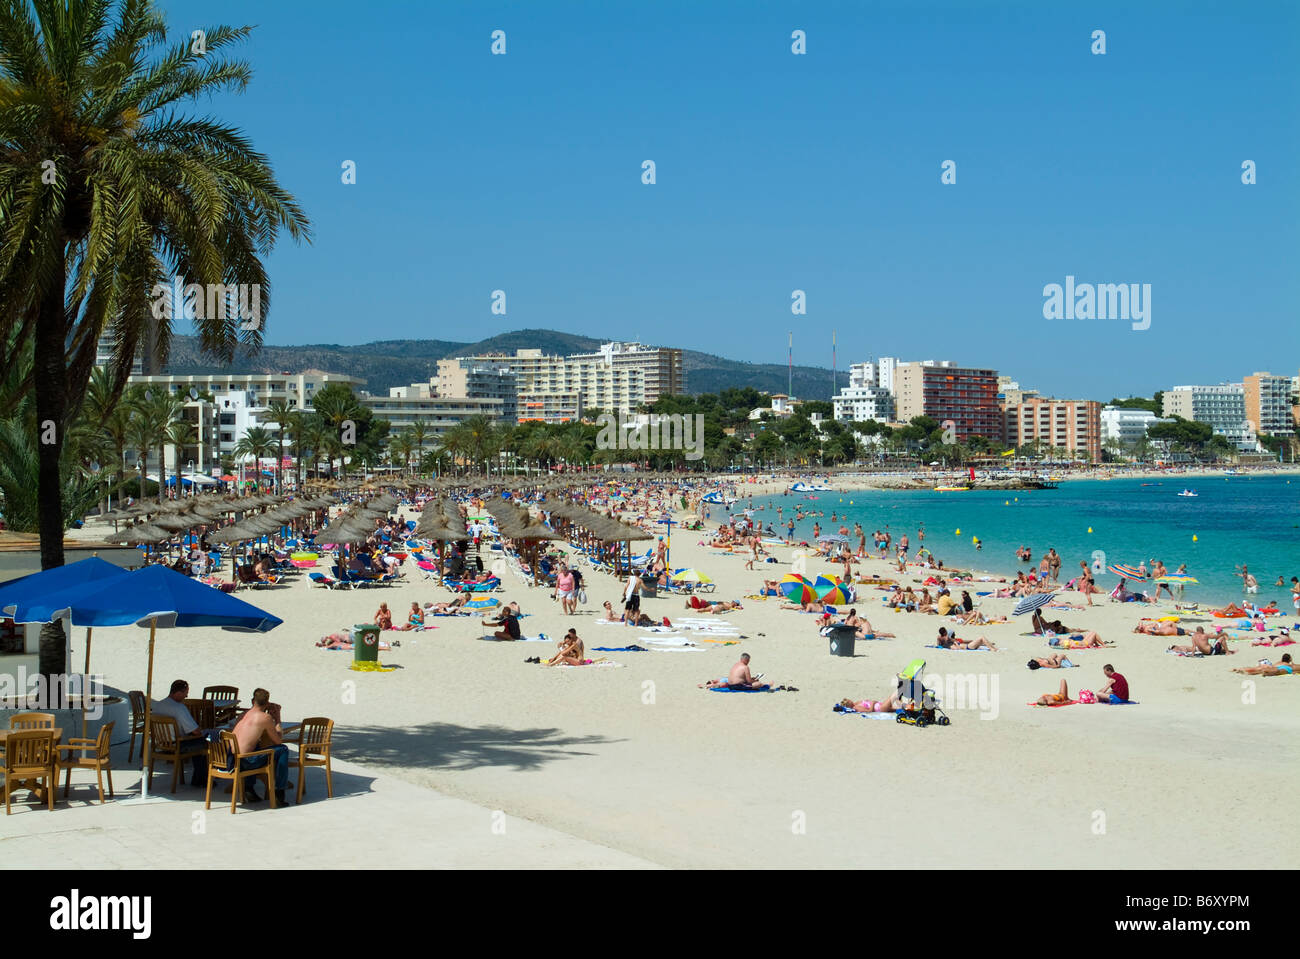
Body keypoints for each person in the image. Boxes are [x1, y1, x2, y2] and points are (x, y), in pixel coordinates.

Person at [230, 688, 290, 806]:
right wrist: (277, 718)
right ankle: (279, 793)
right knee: (283, 749)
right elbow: (278, 740)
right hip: (247, 761)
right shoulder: (265, 718)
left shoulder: (242, 715)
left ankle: (249, 789)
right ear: (267, 703)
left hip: (233, 759)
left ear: (253, 701)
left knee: (255, 746)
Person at [150, 679, 209, 787]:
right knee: (205, 743)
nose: (185, 697)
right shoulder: (179, 708)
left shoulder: (157, 706)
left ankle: (199, 778)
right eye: (185, 694)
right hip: (177, 745)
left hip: (161, 745)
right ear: (178, 693)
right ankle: (201, 779)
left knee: (199, 742)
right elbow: (195, 731)